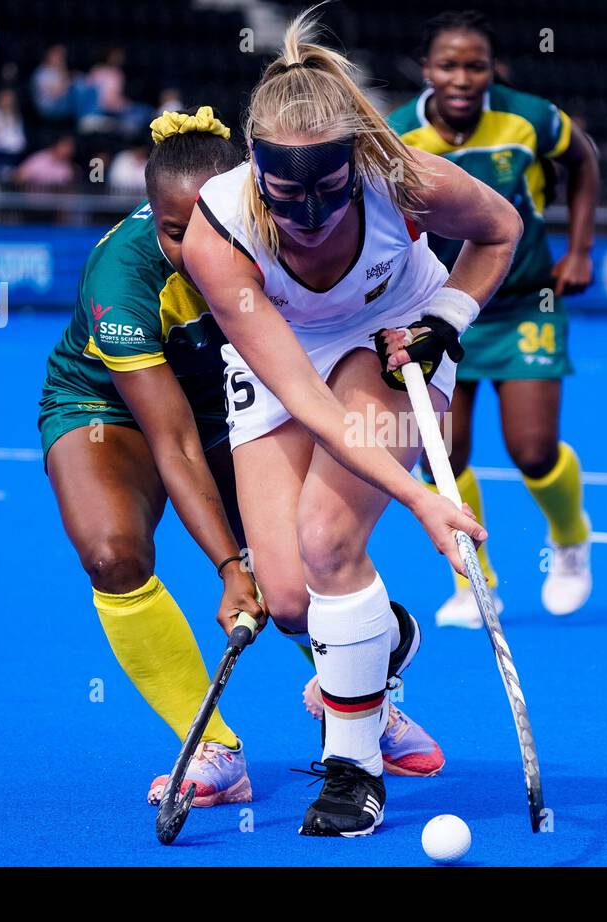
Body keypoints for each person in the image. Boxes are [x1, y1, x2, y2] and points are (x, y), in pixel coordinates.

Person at [181, 8, 521, 837]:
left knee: (331, 540)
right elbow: (309, 401)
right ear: (253, 165)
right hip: (288, 363)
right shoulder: (215, 236)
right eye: (284, 191)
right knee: (295, 601)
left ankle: (352, 770)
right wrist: (422, 499)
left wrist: (448, 313)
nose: (306, 213)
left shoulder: (405, 177)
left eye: (327, 190)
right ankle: (384, 637)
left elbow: (501, 230)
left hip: (392, 335)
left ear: (356, 159)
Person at [39, 108, 267, 808]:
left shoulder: (282, 227)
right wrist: (230, 566)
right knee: (112, 555)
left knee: (297, 563)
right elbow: (172, 440)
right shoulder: (122, 276)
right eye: (174, 230)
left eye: (210, 226)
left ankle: (356, 709)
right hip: (109, 407)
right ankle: (215, 748)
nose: (193, 245)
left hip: (232, 396)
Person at [389, 10, 601, 627]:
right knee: (442, 459)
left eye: (475, 65)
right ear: (426, 69)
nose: (462, 77)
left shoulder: (529, 117)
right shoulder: (396, 134)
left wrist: (581, 249)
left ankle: (569, 540)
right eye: (448, 65)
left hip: (523, 302)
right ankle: (476, 585)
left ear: (492, 69)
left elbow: (582, 159)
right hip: (438, 309)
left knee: (532, 450)